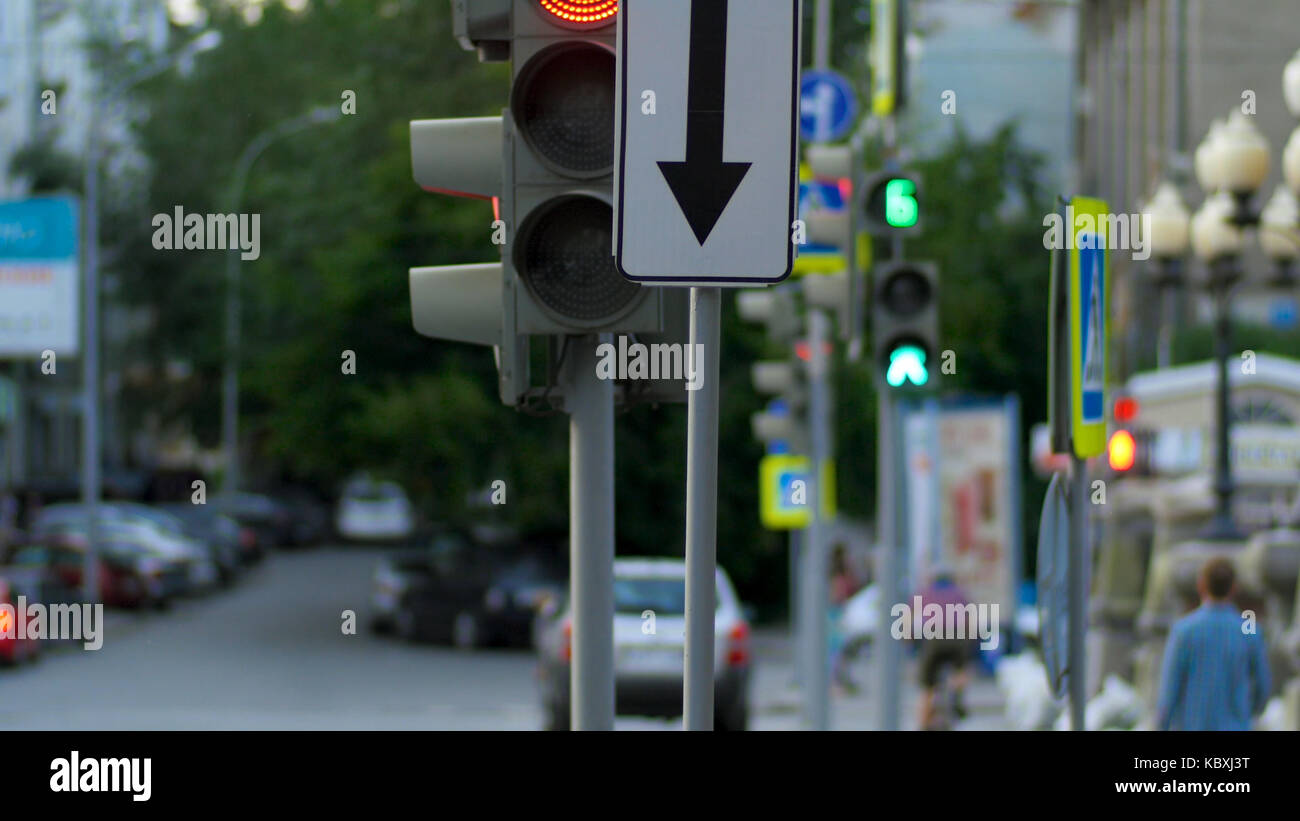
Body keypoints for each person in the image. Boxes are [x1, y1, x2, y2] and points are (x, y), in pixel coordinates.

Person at [1156, 557, 1271, 731]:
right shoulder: (1249, 630)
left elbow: (1170, 689)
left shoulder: (1184, 630)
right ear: (1234, 588)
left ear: (1201, 585)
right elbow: (1263, 685)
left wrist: (1163, 724)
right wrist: (1248, 712)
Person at [914, 564, 975, 730]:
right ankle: (957, 695)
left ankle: (924, 722)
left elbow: (909, 618)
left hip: (934, 638)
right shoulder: (959, 593)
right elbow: (970, 619)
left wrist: (910, 641)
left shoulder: (925, 593)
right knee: (962, 668)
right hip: (958, 637)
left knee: (927, 684)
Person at [828, 544, 860, 692]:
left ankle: (841, 680)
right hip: (837, 612)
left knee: (840, 648)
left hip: (839, 611)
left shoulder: (837, 574)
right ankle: (835, 683)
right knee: (837, 648)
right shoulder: (838, 576)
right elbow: (843, 592)